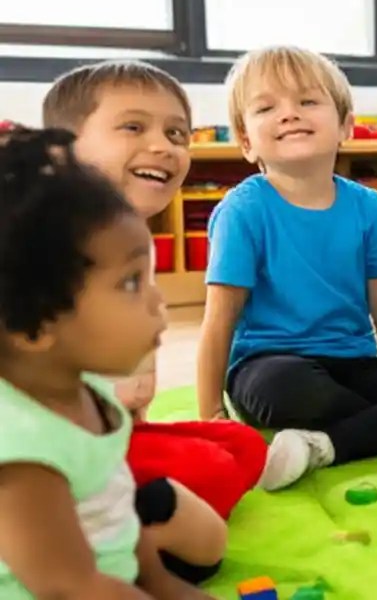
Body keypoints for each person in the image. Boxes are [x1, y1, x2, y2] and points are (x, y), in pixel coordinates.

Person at [195, 45, 377, 491]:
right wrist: (211, 417)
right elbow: (219, 318)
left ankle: (323, 444)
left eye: (308, 101)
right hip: (269, 366)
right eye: (267, 107)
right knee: (292, 388)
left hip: (352, 361)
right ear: (245, 142)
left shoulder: (367, 207)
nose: (289, 115)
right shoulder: (243, 210)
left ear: (345, 126)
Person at [43, 60, 268, 584]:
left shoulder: (133, 242)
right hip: (49, 452)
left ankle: (116, 529)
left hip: (116, 441)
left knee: (240, 444)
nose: (164, 146)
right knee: (205, 479)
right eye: (133, 127)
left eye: (176, 133)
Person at [0, 126, 213, 599]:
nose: (159, 299)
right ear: (34, 328)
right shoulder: (21, 449)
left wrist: (160, 583)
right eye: (132, 283)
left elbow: (119, 515)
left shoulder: (88, 393)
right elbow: (70, 587)